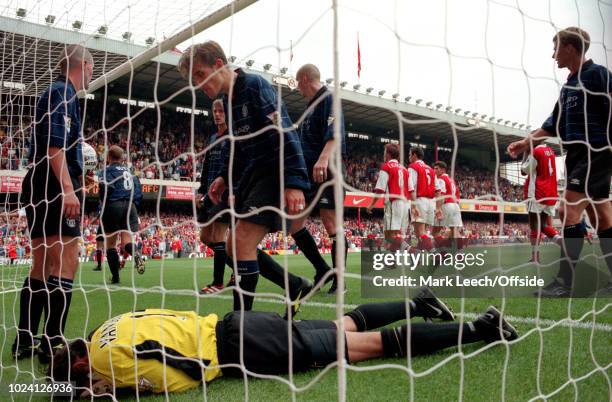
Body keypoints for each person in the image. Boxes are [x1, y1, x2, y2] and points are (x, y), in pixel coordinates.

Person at [48, 288, 518, 397]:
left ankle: (480, 328)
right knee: (342, 326)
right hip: (234, 322)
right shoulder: (107, 326)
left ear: (81, 367)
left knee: (362, 347)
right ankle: (415, 301)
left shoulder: (108, 360)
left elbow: (178, 375)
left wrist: (125, 391)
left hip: (240, 352)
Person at [177, 41, 312, 313]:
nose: (198, 84)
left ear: (218, 65)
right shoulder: (227, 103)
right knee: (230, 246)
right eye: (193, 81)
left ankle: (242, 324)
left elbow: (284, 131)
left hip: (275, 171)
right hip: (254, 174)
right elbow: (238, 147)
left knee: (240, 242)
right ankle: (294, 284)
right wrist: (225, 179)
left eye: (200, 75)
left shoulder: (255, 86)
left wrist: (295, 182)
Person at [507, 27, 612, 297]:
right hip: (576, 156)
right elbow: (552, 126)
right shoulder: (567, 87)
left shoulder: (598, 75)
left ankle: (565, 283)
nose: (553, 55)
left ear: (570, 48)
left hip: (596, 151)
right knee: (603, 218)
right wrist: (524, 143)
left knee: (567, 212)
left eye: (555, 48)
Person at [13, 44, 94, 362]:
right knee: (65, 262)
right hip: (53, 181)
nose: (92, 73)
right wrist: (68, 188)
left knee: (43, 265)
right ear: (84, 65)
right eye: (91, 67)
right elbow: (54, 148)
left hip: (38, 180)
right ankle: (53, 341)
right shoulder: (63, 93)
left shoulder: (55, 93)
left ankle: (24, 340)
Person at [290, 63, 347, 294]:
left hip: (328, 169)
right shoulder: (309, 106)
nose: (298, 89)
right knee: (294, 223)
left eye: (297, 83)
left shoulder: (329, 98)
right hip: (308, 173)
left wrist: (323, 159)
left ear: (305, 78)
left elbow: (335, 133)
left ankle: (340, 280)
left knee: (331, 223)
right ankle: (322, 268)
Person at [197, 99, 234, 294]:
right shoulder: (213, 138)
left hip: (224, 194)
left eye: (221, 111)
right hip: (208, 194)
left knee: (219, 237)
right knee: (205, 237)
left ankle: (217, 283)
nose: (217, 114)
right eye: (214, 111)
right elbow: (206, 166)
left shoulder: (232, 136)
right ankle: (237, 269)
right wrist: (201, 189)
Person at [97, 145, 144, 284]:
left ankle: (115, 277)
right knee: (127, 242)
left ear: (108, 157)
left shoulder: (107, 171)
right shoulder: (130, 171)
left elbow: (106, 189)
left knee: (110, 245)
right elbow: (138, 192)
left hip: (113, 205)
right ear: (122, 158)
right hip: (130, 206)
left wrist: (103, 206)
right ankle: (137, 254)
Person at [367, 143, 411, 252]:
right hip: (406, 203)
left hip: (394, 203)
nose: (383, 154)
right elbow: (411, 190)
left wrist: (371, 205)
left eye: (384, 152)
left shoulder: (386, 167)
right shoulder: (404, 169)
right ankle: (392, 261)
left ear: (388, 154)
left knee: (391, 235)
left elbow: (380, 189)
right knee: (390, 234)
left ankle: (411, 251)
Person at [520, 145, 561, 263]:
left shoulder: (536, 151)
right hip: (551, 193)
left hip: (538, 194)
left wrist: (526, 151)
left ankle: (536, 257)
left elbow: (523, 171)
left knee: (534, 227)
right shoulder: (550, 151)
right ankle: (559, 240)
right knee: (543, 225)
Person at [407, 147, 436, 250]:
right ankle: (417, 256)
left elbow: (412, 187)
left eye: (410, 154)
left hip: (420, 201)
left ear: (415, 155)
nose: (409, 157)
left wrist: (413, 206)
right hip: (431, 202)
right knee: (420, 232)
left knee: (420, 232)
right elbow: (437, 189)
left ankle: (437, 254)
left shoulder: (413, 167)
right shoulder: (431, 169)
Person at [432, 161, 463, 252]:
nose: (434, 170)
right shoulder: (451, 180)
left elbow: (442, 195)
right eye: (434, 168)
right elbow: (457, 195)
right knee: (454, 231)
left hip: (446, 205)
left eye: (436, 168)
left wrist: (438, 209)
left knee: (435, 231)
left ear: (443, 170)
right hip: (455, 206)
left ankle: (443, 250)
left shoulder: (441, 179)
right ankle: (459, 253)